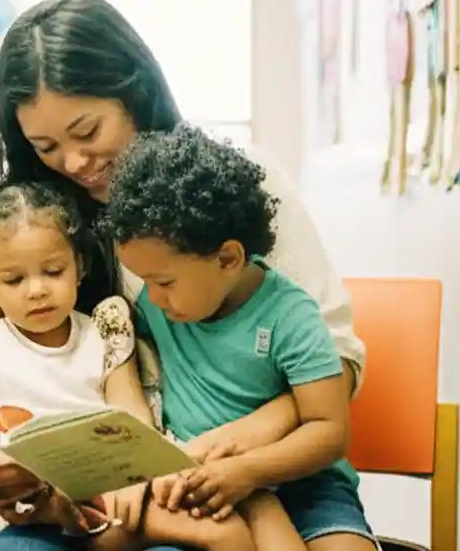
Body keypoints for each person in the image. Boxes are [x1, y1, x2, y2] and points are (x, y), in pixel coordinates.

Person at [0, 0, 367, 549]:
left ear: (134, 93)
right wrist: (9, 467)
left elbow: (339, 358)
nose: (72, 162)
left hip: (273, 468)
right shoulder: (48, 224)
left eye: (87, 132)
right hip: (112, 482)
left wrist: (234, 449)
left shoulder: (232, 187)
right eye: (45, 146)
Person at [0, 178, 297, 550]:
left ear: (79, 265)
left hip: (118, 490)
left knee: (225, 532)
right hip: (40, 506)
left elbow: (132, 414)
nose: (36, 289)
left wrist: (142, 473)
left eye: (53, 272)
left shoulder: (106, 330)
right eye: (14, 279)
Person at [103, 125, 378, 550]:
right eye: (145, 282)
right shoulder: (158, 308)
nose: (153, 299)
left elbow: (328, 430)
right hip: (198, 483)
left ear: (228, 258)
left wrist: (248, 472)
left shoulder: (291, 315)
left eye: (164, 282)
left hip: (303, 482)